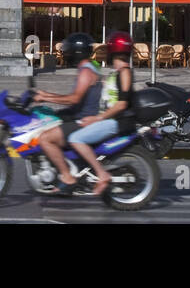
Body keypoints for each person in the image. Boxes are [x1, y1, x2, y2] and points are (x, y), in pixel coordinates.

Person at [64, 30, 136, 195]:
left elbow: (122, 104)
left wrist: (97, 119)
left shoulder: (124, 72)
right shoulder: (117, 72)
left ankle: (102, 174)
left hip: (117, 122)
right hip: (111, 119)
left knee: (75, 139)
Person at [32, 32, 103, 195]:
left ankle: (68, 177)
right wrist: (45, 95)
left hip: (83, 120)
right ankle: (67, 166)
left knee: (45, 139)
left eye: (69, 51)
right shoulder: (88, 68)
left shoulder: (86, 72)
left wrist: (46, 97)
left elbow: (74, 99)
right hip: (79, 115)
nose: (66, 54)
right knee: (48, 119)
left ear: (77, 52)